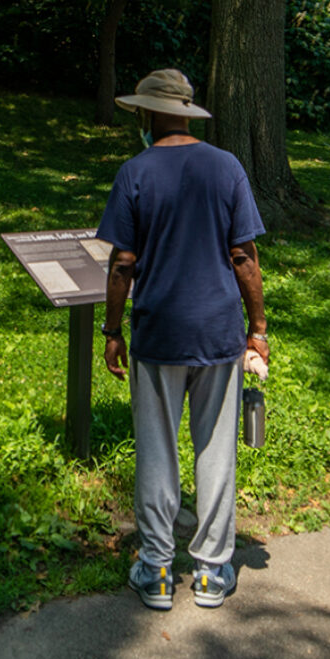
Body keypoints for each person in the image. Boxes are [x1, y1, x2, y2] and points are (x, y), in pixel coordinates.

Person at [96, 68, 267, 611]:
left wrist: (112, 329)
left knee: (156, 452)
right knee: (215, 453)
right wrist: (258, 328)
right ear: (187, 114)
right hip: (217, 331)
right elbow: (244, 257)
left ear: (148, 114)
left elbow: (123, 263)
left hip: (158, 331)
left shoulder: (135, 172)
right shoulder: (228, 167)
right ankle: (214, 572)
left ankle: (157, 570)